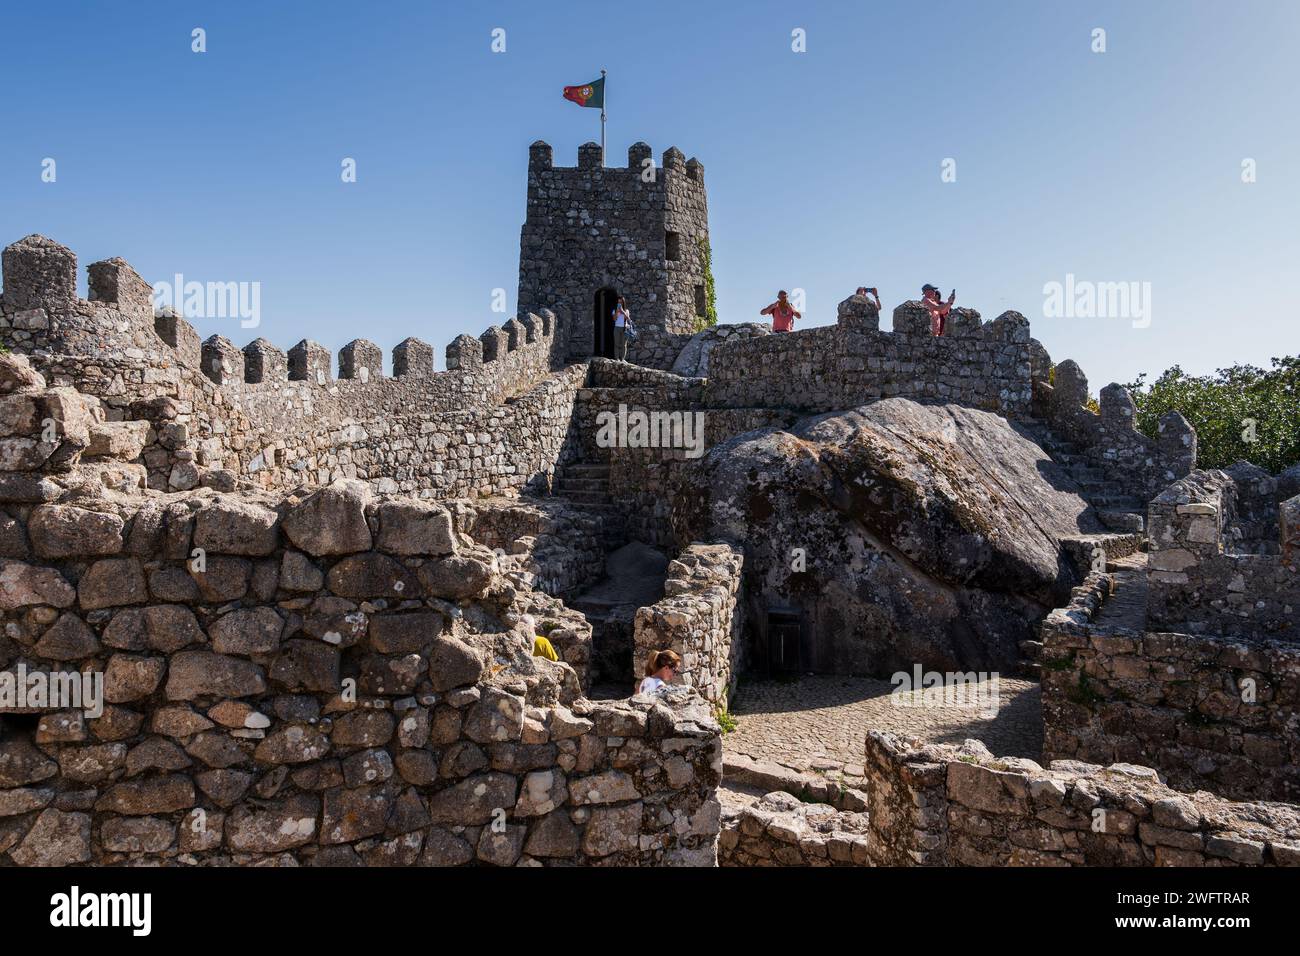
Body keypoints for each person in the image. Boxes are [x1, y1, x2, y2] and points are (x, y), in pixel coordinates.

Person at [612, 296, 632, 360]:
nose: (619, 303)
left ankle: (622, 359)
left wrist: (622, 311)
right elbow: (614, 319)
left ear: (623, 303)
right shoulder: (614, 310)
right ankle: (617, 358)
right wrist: (617, 312)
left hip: (624, 328)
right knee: (616, 344)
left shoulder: (626, 311)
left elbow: (628, 319)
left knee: (624, 345)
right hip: (617, 328)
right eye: (618, 302)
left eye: (621, 302)